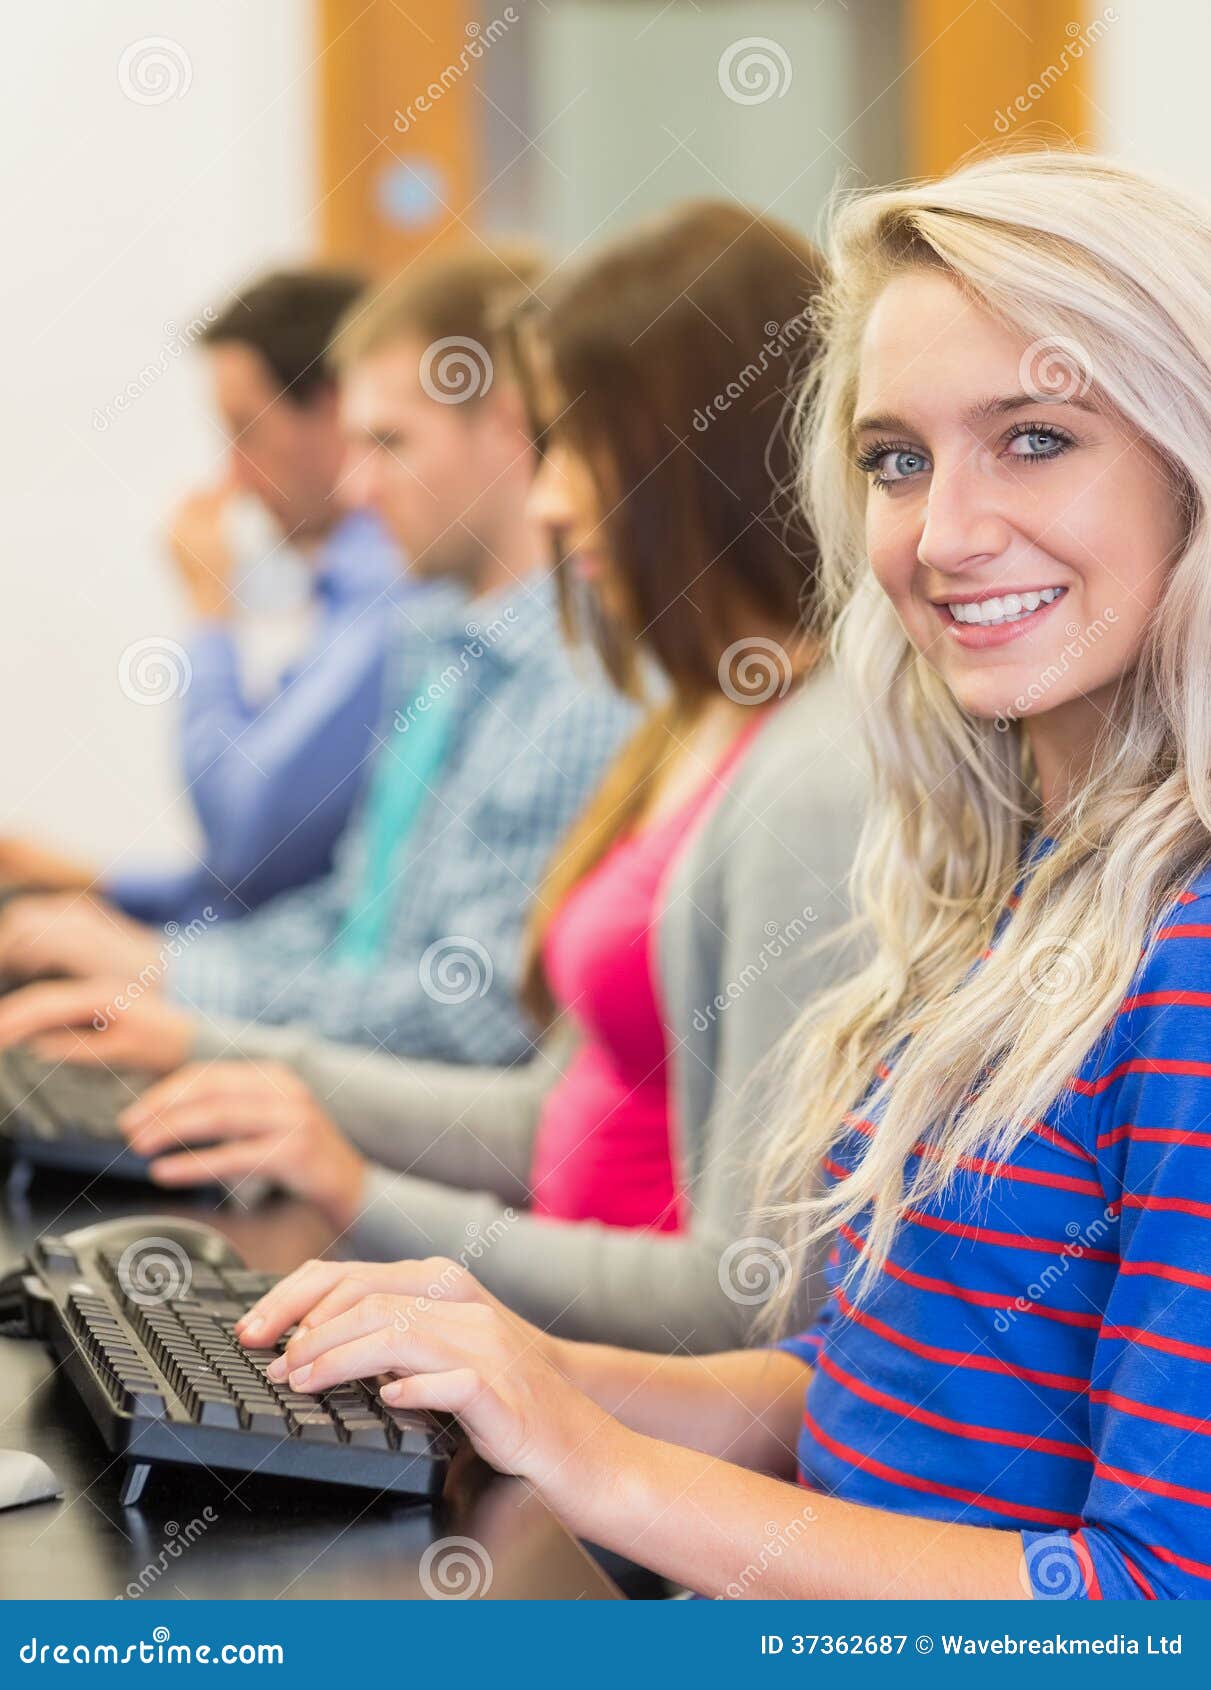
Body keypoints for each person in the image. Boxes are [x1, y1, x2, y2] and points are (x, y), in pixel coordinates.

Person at [221, 151, 1211, 1598]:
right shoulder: (1022, 887)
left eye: (1034, 439)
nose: (938, 535)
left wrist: (590, 1455)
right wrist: (527, 1366)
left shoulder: (1182, 947)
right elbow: (858, 1398)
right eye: (895, 460)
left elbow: (1154, 1604)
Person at [0, 203, 868, 1354]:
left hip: (601, 1378)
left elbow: (742, 1297)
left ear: (683, 453)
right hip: (557, 1341)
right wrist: (237, 1068)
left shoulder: (795, 766)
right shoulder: (693, 727)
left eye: (572, 442)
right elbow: (544, 1115)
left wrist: (356, 1190)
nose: (553, 497)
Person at [0, 245, 635, 1063]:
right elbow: (350, 916)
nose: (356, 489)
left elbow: (475, 1016)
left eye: (390, 443)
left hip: (393, 1123)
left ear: (507, 430)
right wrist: (165, 971)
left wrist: (169, 985)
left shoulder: (580, 678)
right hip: (334, 1073)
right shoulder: (437, 639)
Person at [0, 269, 418, 924]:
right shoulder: (348, 589)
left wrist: (207, 609)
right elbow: (271, 880)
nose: (232, 476)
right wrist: (103, 888)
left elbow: (248, 838)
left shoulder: (395, 590)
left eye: (245, 429)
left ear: (336, 409)